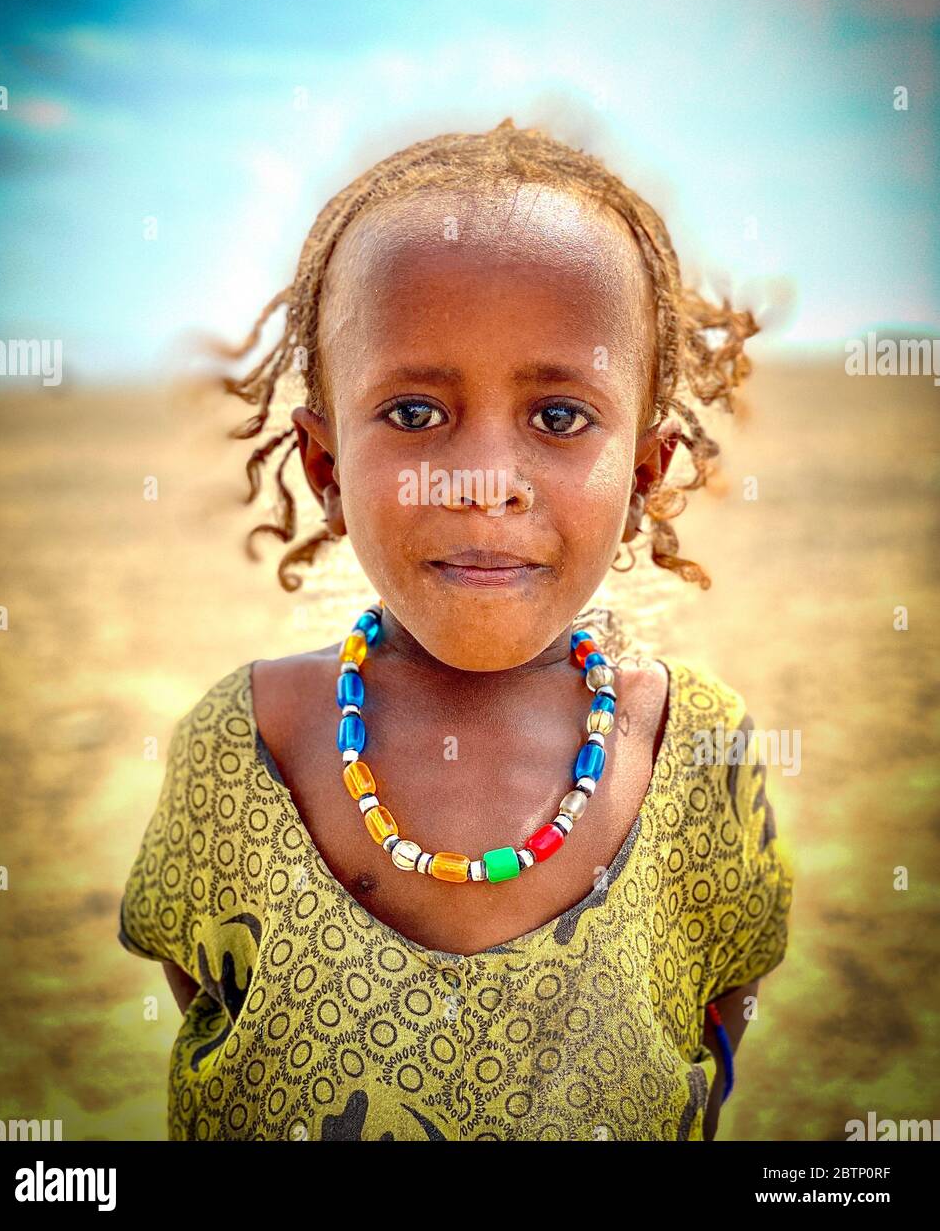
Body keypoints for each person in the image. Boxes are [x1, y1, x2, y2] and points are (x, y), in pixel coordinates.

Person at [117, 118, 794, 1141]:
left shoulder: (694, 750)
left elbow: (717, 1007)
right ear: (326, 468)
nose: (485, 484)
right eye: (417, 414)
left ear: (645, 476)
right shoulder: (244, 746)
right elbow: (216, 1011)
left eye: (560, 417)